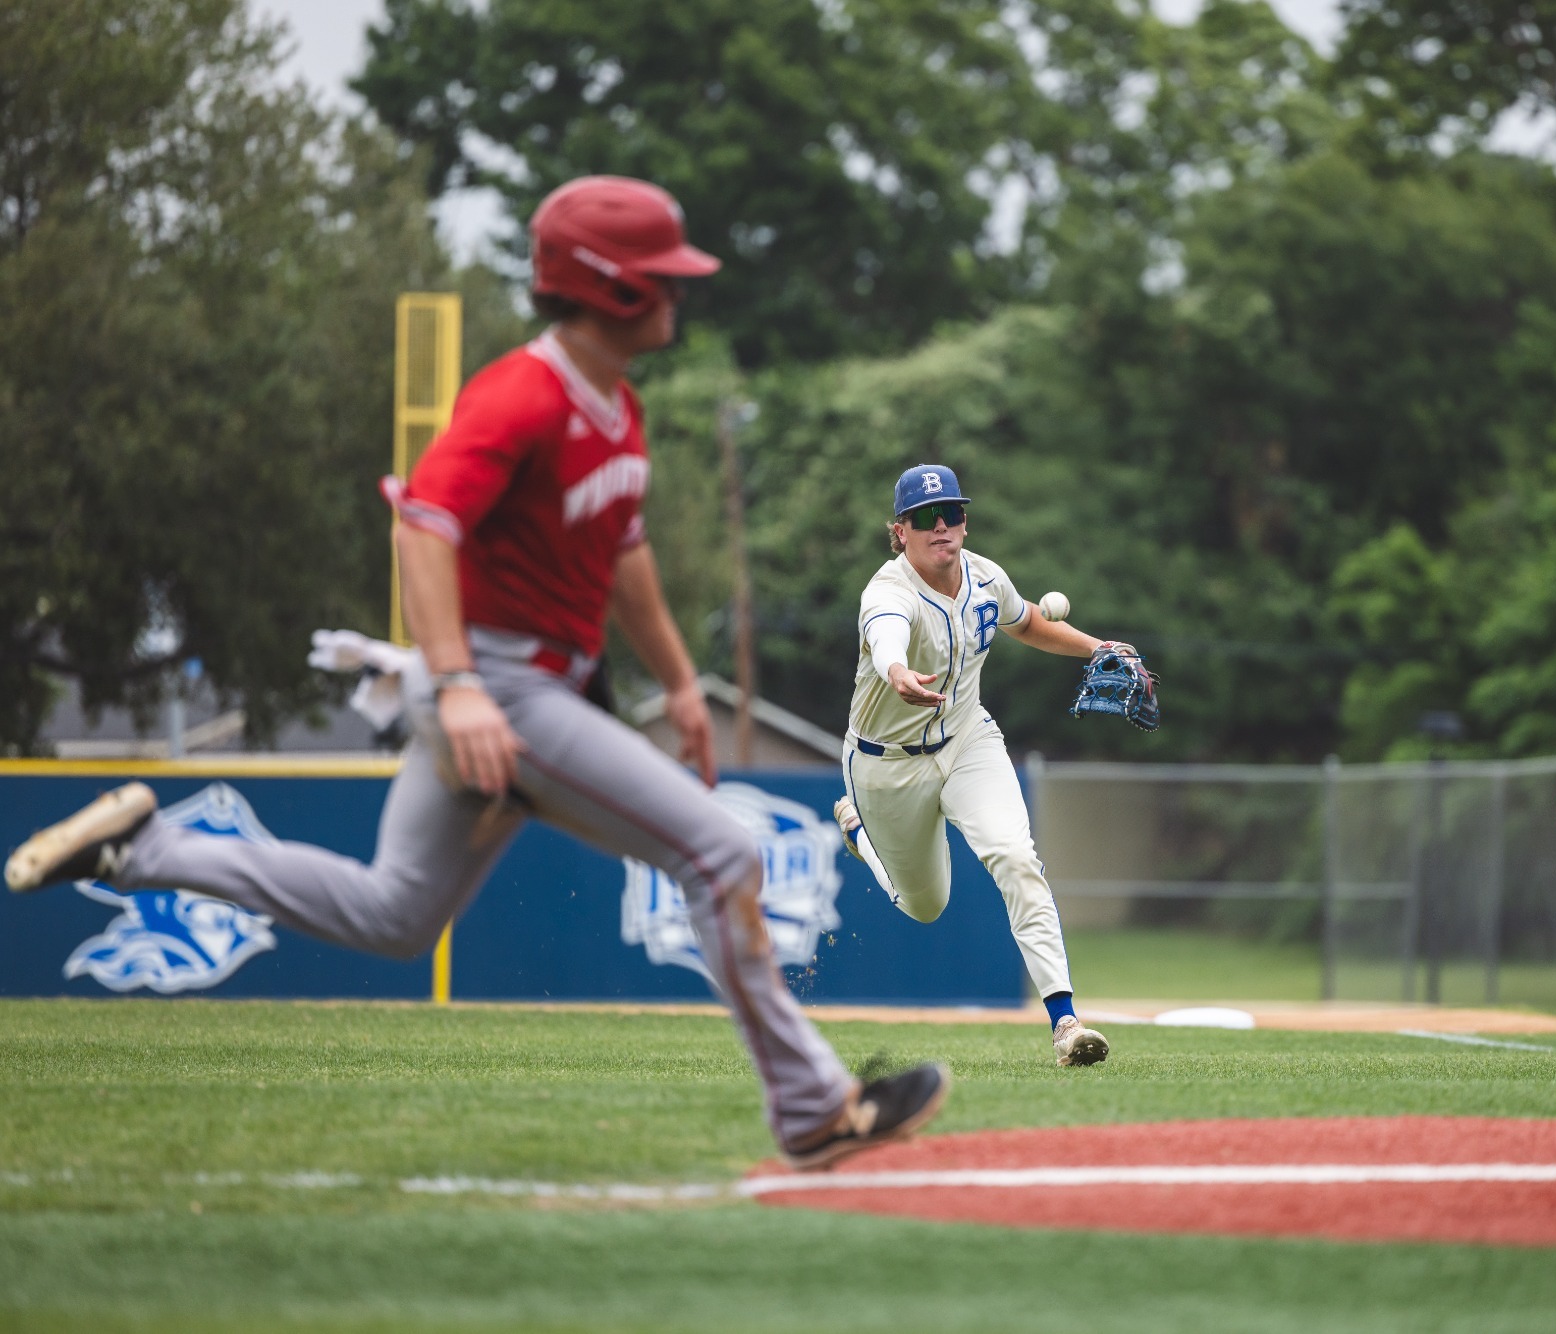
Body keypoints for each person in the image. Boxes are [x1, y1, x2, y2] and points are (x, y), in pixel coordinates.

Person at [5, 175, 946, 1170]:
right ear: (608, 288)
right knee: (720, 854)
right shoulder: (522, 392)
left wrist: (676, 681)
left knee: (395, 914)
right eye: (660, 277)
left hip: (521, 684)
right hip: (495, 685)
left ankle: (144, 851)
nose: (678, 292)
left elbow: (624, 554)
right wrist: (455, 685)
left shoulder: (615, 407)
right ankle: (810, 1107)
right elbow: (422, 524)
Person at [832, 465, 1115, 1067]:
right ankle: (858, 830)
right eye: (925, 518)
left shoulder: (986, 576)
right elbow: (886, 637)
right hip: (886, 767)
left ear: (965, 520)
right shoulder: (888, 592)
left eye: (952, 513)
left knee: (1016, 857)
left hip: (967, 741)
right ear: (899, 531)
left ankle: (1066, 1025)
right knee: (925, 906)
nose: (942, 527)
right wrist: (898, 672)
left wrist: (1099, 647)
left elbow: (1030, 622)